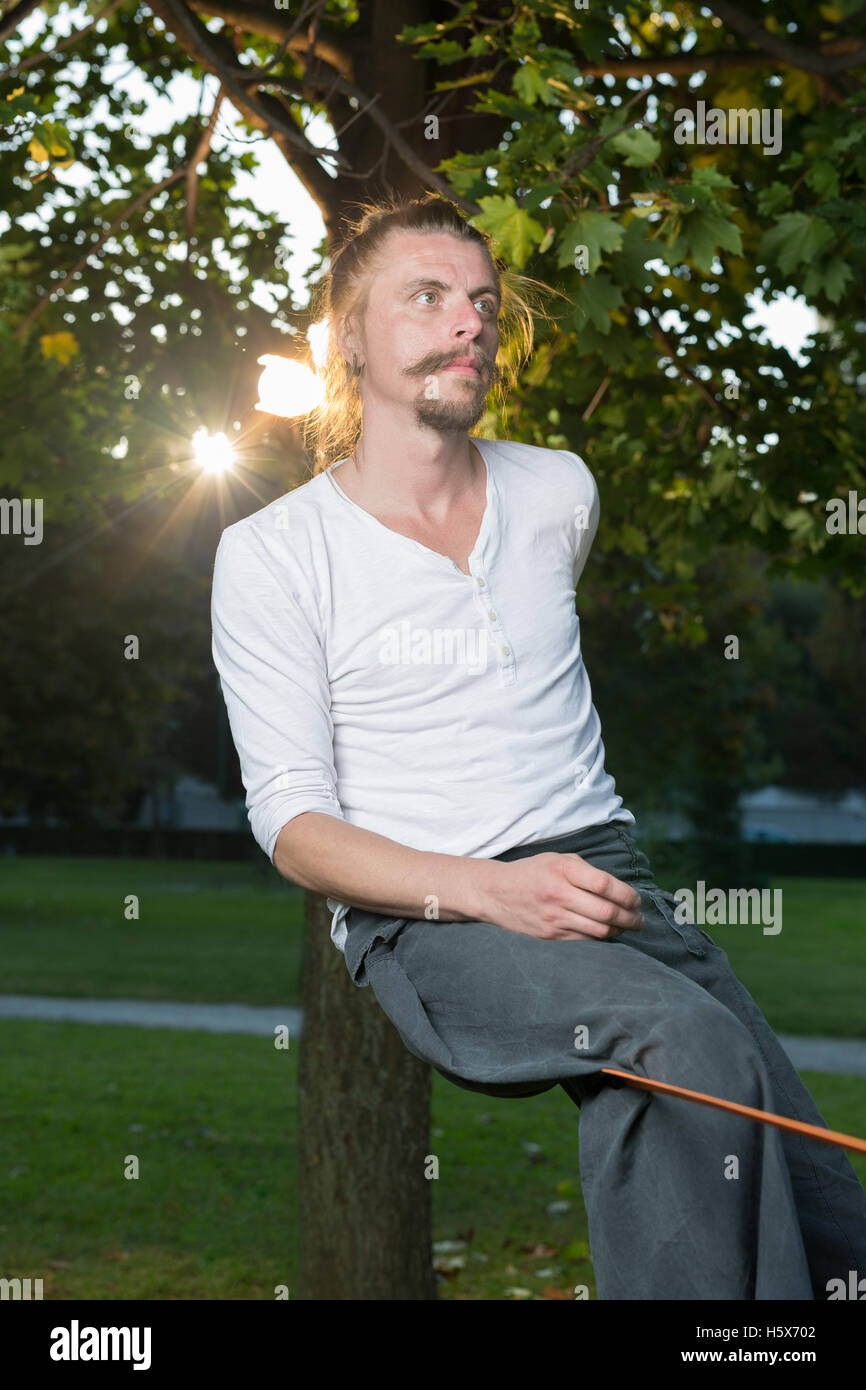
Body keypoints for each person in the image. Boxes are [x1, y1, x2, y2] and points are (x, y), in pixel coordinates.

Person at [211, 193, 866, 1300]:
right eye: (425, 297)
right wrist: (488, 891)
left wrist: (557, 880)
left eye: (480, 300)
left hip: (605, 876)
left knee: (827, 1209)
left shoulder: (557, 489)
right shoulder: (272, 554)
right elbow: (293, 824)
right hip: (428, 916)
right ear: (348, 339)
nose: (466, 320)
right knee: (681, 1047)